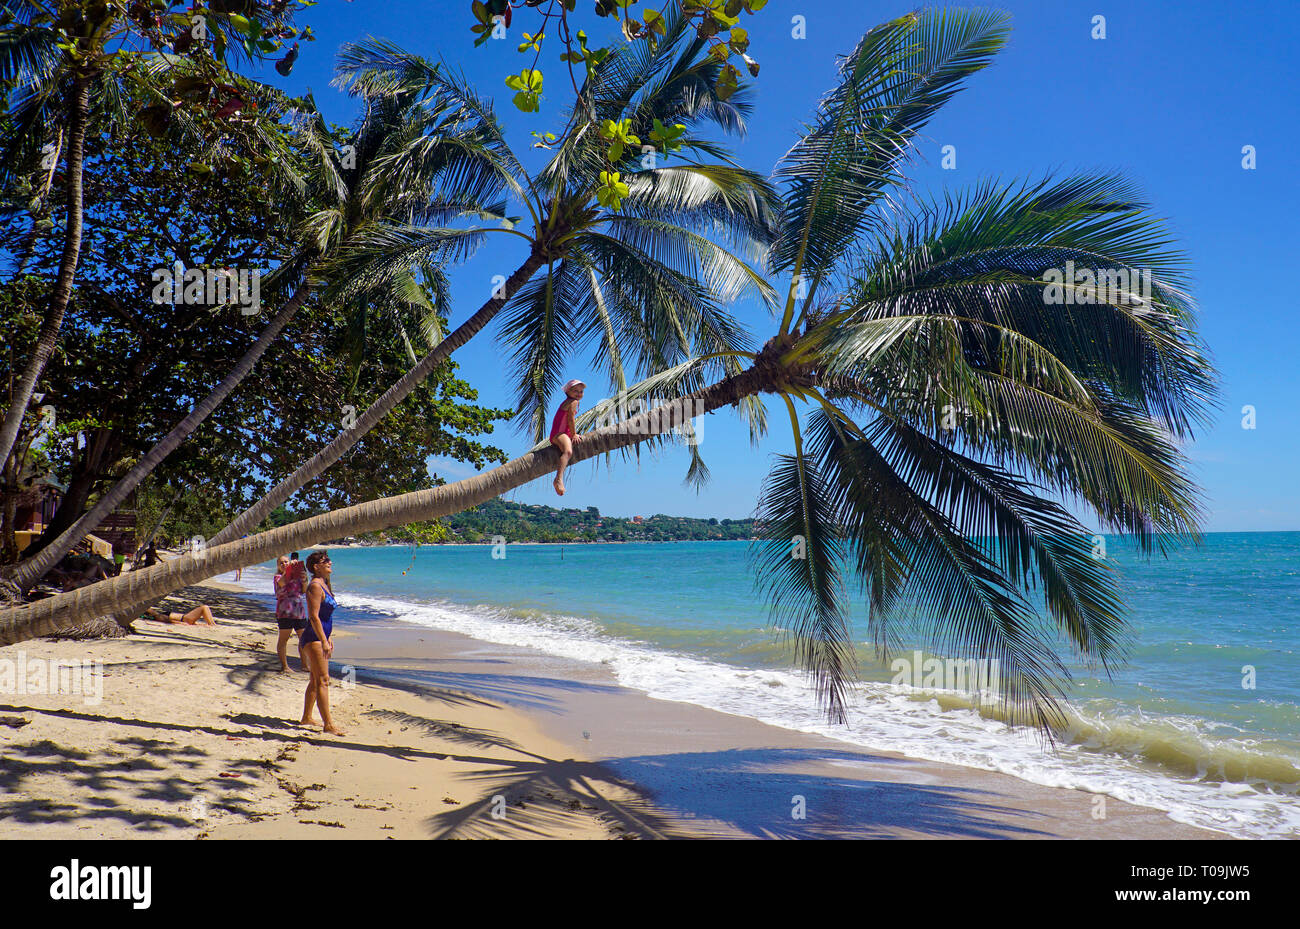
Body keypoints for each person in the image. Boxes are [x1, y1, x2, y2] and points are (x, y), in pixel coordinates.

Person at [299, 550, 342, 735]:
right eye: (326, 561)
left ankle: (306, 717)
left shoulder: (323, 584)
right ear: (316, 567)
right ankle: (329, 724)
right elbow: (314, 617)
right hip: (313, 638)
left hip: (321, 636)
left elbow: (325, 617)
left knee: (315, 680)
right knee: (323, 680)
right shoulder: (315, 586)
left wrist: (328, 636)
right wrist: (324, 640)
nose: (330, 563)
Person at [549, 378, 585, 496]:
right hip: (559, 434)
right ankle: (558, 479)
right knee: (568, 452)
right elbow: (570, 419)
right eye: (575, 391)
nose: (579, 394)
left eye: (581, 391)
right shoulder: (573, 402)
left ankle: (558, 479)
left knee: (567, 451)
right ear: (568, 392)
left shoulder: (570, 401)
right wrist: (574, 434)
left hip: (560, 433)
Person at [273, 554, 307, 672]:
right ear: (278, 566)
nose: (284, 564)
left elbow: (303, 590)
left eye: (286, 562)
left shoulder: (295, 577)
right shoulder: (277, 577)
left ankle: (305, 665)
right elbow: (282, 582)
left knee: (303, 639)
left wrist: (304, 578)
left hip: (298, 611)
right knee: (284, 639)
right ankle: (285, 666)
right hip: (284, 612)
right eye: (281, 563)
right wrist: (289, 569)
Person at [142, 604, 217, 626]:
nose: (152, 610)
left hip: (186, 619)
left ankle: (212, 624)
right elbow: (169, 621)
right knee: (204, 607)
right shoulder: (158, 616)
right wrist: (182, 623)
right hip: (185, 618)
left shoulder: (158, 615)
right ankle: (212, 624)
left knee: (204, 608)